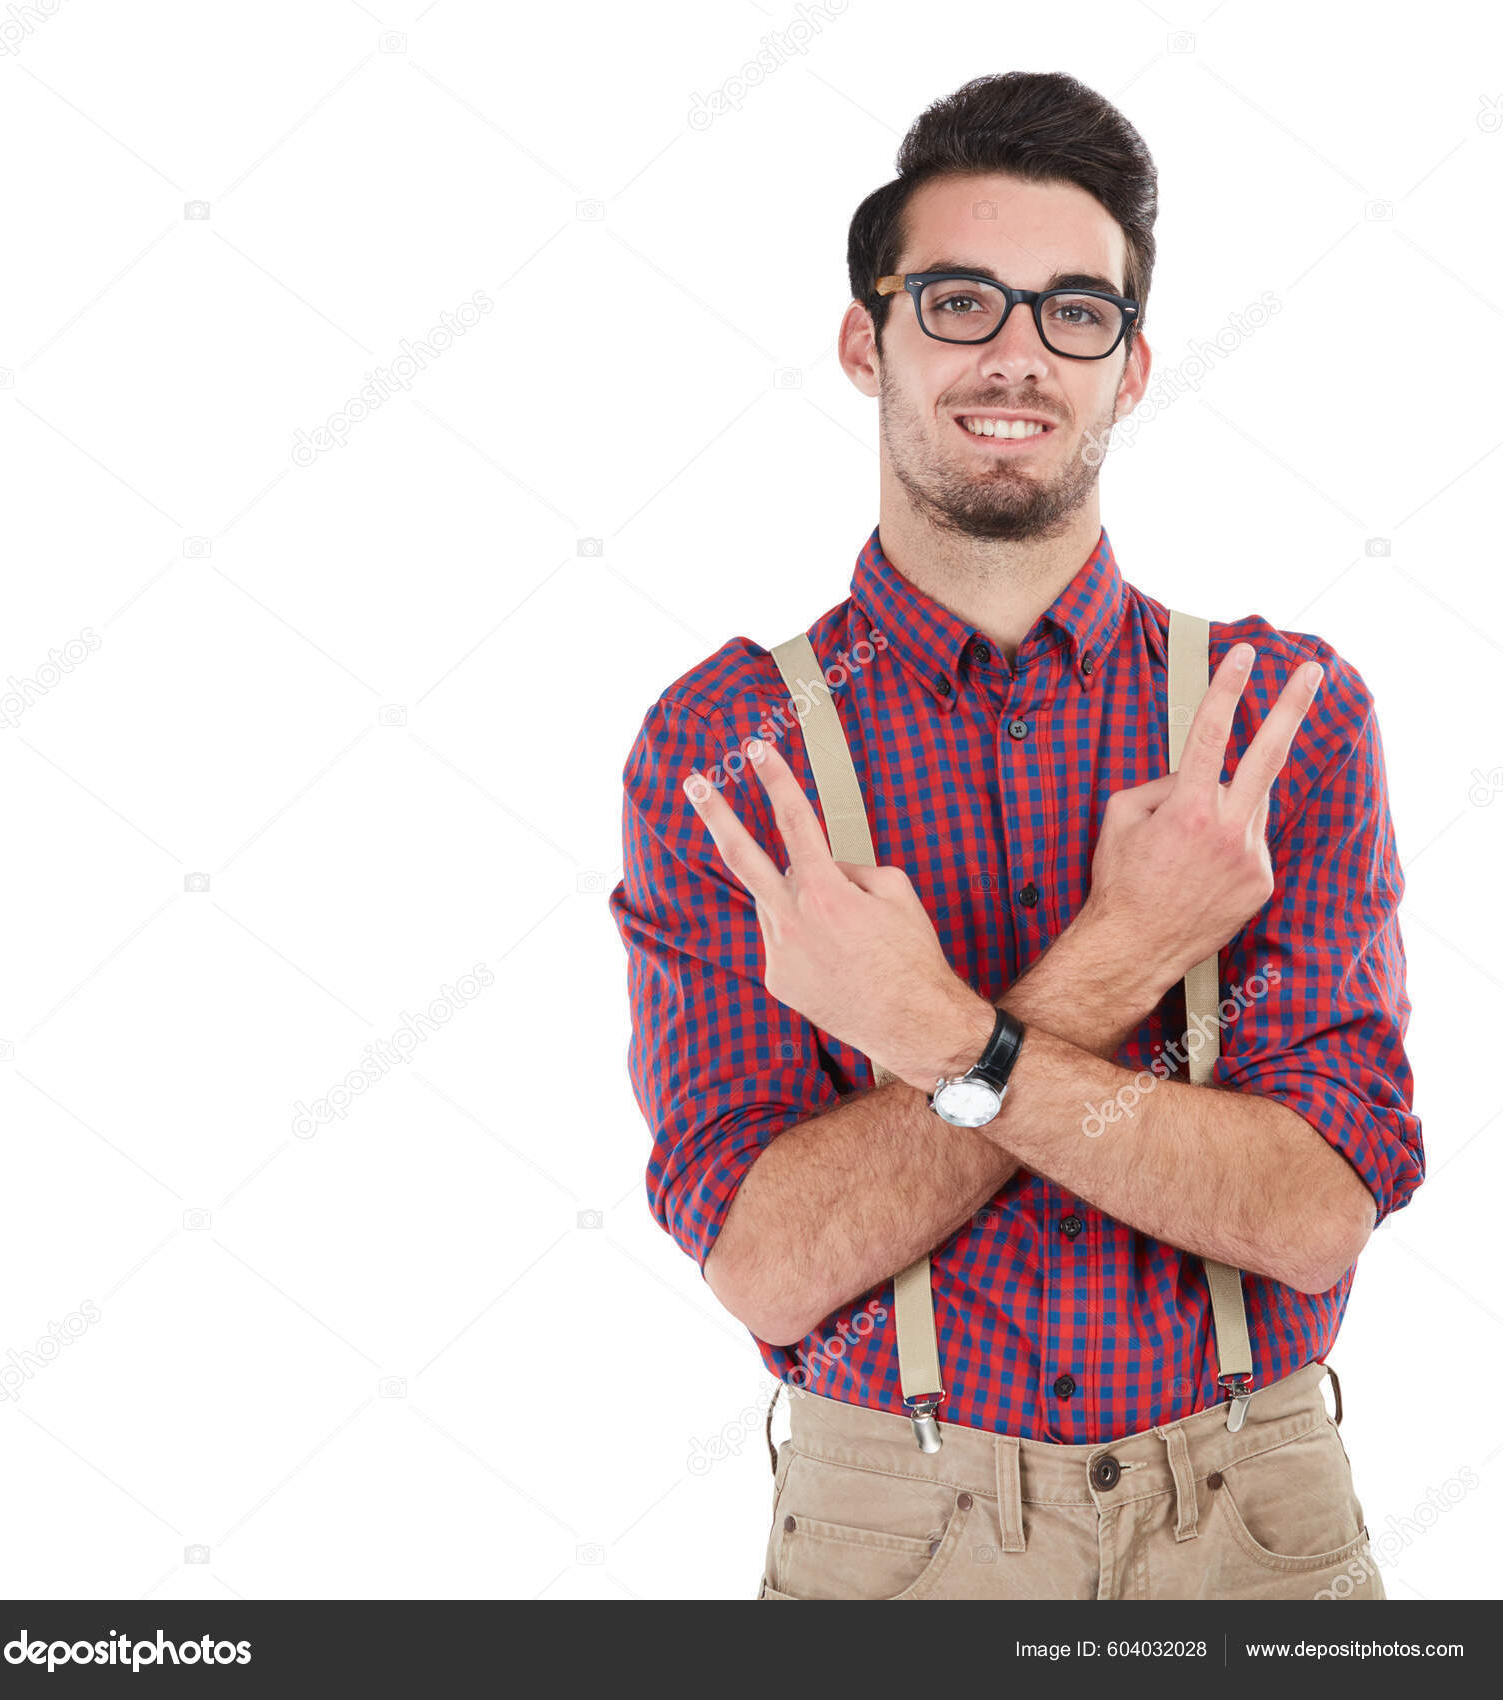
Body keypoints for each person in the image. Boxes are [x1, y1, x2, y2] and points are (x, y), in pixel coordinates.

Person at [608, 70, 1421, 1600]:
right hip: (894, 1536)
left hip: (1252, 1519)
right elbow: (769, 1263)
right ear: (870, 338)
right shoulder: (729, 749)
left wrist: (935, 1036)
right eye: (963, 301)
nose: (1018, 356)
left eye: (1075, 313)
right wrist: (1119, 959)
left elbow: (1314, 1217)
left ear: (1131, 366)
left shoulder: (1279, 717)